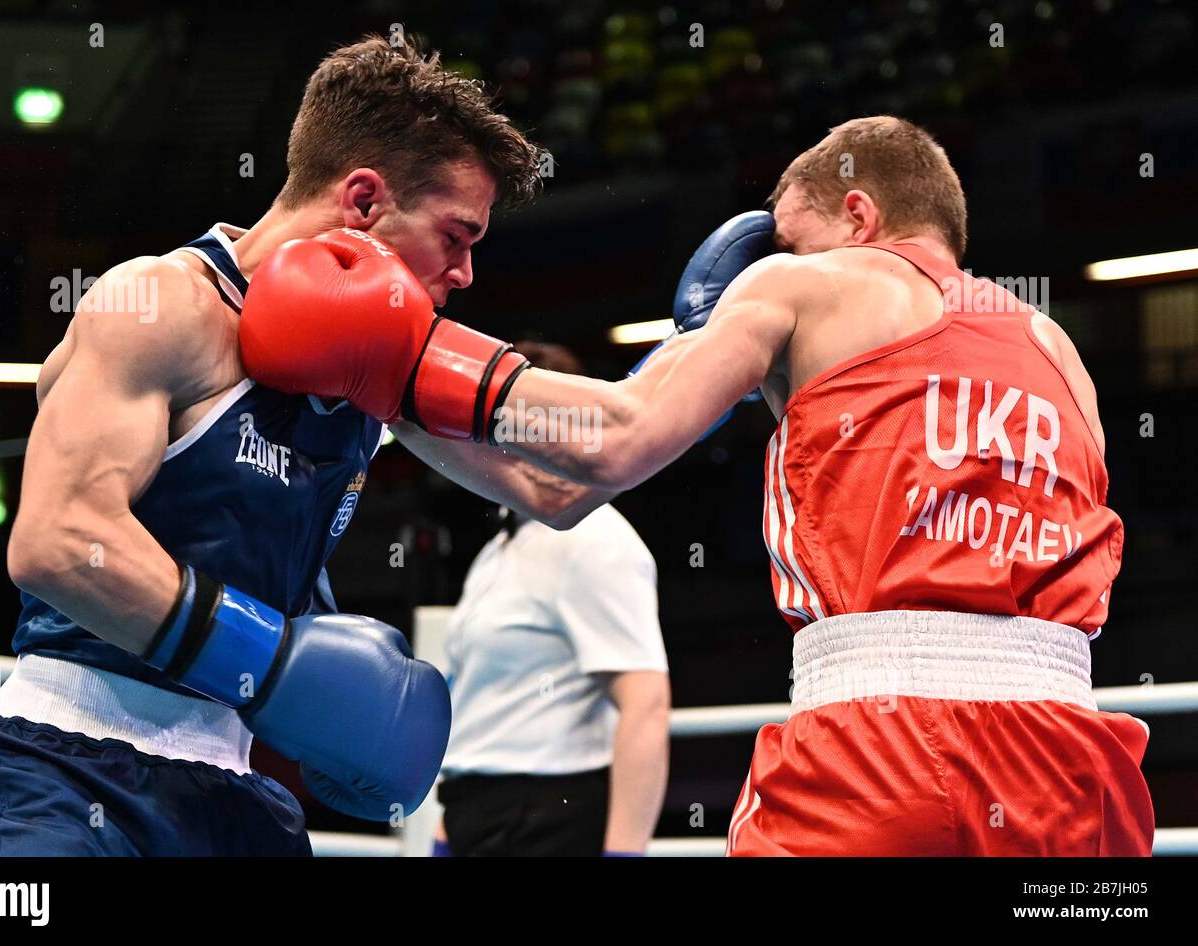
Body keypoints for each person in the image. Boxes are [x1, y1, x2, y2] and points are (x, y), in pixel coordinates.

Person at [258, 116, 1153, 856]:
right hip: (1076, 769)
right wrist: (393, 406)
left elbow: (608, 442)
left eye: (792, 236)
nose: (777, 255)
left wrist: (400, 358)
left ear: (858, 213)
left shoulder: (805, 282)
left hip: (883, 753)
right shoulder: (1058, 352)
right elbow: (559, 497)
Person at [0, 35, 600, 857]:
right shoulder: (162, 306)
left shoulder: (376, 369)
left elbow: (560, 485)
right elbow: (57, 543)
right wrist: (275, 664)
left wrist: (721, 347)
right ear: (363, 201)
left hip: (233, 792)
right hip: (61, 771)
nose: (466, 274)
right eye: (457, 236)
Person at [432, 342, 670, 858]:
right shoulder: (500, 546)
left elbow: (645, 704)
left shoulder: (596, 539)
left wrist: (624, 854)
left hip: (552, 819)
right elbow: (483, 702)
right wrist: (447, 834)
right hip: (476, 812)